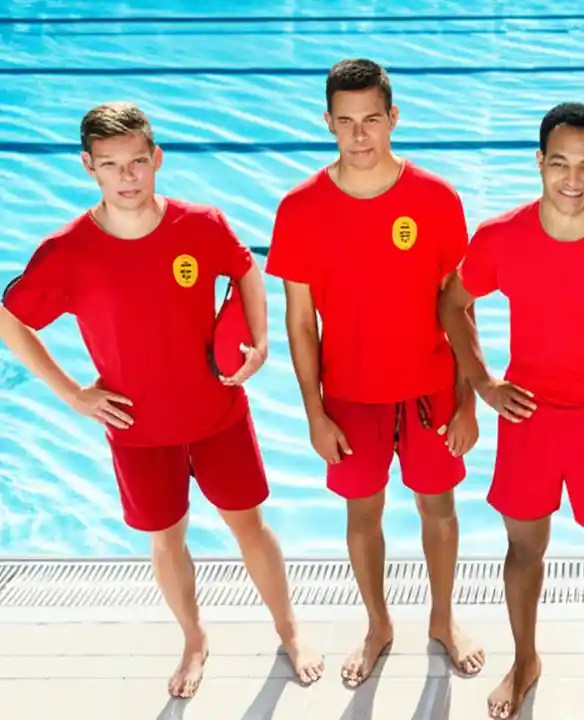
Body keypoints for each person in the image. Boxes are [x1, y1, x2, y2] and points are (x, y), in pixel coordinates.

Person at [0, 102, 323, 698]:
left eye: (138, 163)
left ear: (157, 160)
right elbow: (11, 320)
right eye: (111, 165)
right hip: (137, 428)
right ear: (88, 168)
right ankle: (194, 638)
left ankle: (290, 629)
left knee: (249, 527)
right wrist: (73, 394)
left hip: (218, 414)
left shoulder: (200, 225)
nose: (127, 177)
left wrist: (260, 341)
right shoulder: (68, 252)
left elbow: (245, 268)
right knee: (167, 538)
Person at [439, 102, 584, 720]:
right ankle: (526, 658)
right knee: (523, 550)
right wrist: (484, 382)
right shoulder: (500, 237)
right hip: (529, 420)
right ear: (539, 162)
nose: (572, 179)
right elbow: (449, 304)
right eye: (559, 163)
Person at [265, 58, 483, 687]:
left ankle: (442, 619)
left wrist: (468, 403)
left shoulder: (437, 200)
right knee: (363, 515)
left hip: (431, 390)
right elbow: (300, 322)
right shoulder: (300, 208)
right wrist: (313, 411)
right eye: (346, 122)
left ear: (394, 118)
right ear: (327, 123)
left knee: (437, 510)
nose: (360, 136)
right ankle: (378, 624)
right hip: (351, 398)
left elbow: (460, 307)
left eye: (371, 121)